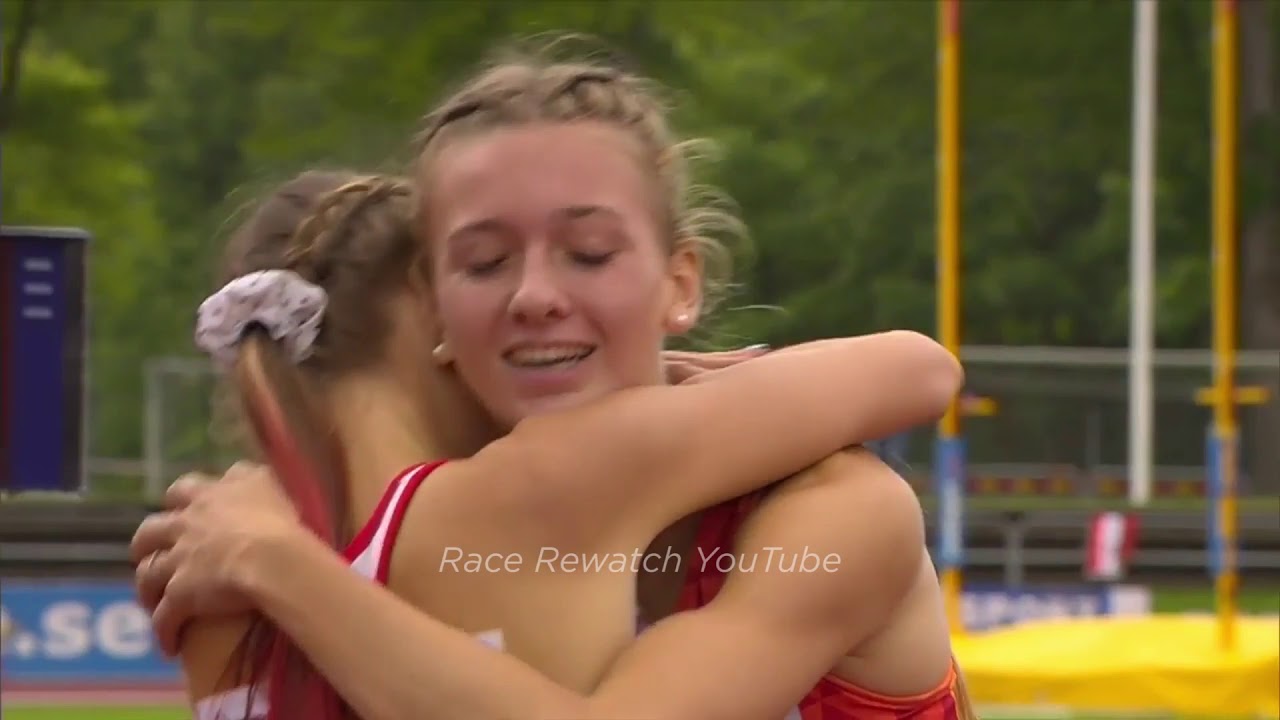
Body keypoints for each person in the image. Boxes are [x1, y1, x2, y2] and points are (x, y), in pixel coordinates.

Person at [134, 45, 973, 720]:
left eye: (590, 253)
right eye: (484, 263)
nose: (534, 296)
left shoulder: (836, 508)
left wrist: (280, 565)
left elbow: (923, 366)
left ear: (680, 283)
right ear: (436, 314)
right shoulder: (463, 520)